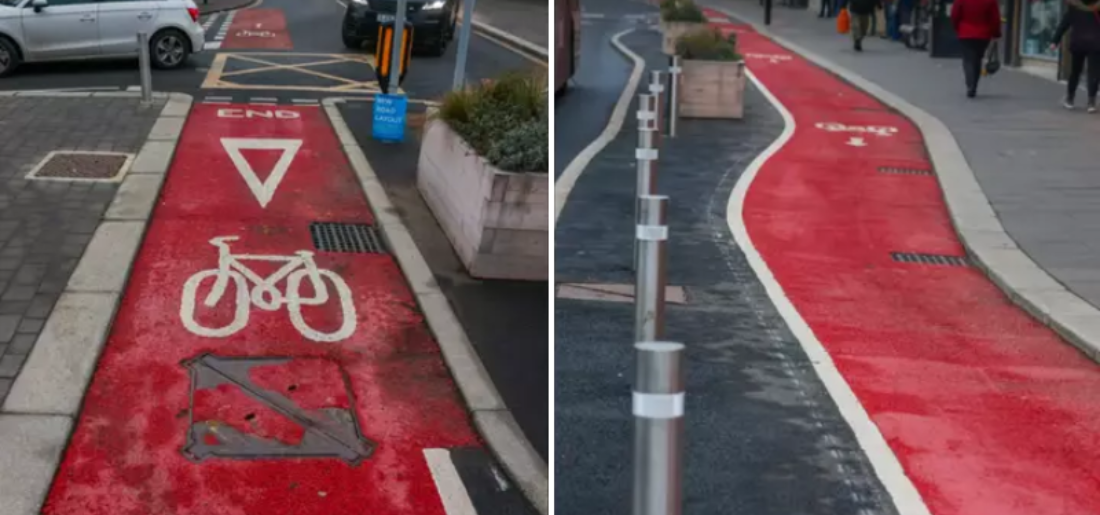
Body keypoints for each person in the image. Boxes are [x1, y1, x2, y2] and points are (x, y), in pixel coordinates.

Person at [1051, 0, 1100, 112]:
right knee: (1094, 72)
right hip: (1096, 43)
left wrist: (1055, 41)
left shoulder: (1074, 7)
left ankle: (1070, 99)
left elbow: (1064, 23)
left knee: (1075, 72)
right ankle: (1091, 102)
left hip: (1078, 42)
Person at [950, 0, 1002, 98]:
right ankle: (974, 85)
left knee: (968, 59)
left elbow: (954, 14)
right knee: (977, 59)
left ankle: (970, 85)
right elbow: (995, 18)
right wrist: (996, 33)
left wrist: (957, 28)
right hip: (983, 34)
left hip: (965, 32)